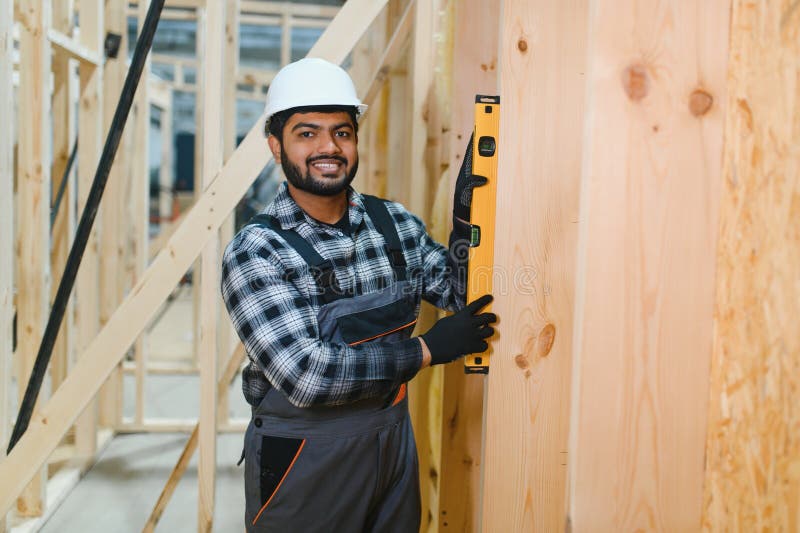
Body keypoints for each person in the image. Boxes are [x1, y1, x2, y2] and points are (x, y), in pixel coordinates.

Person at [220, 57, 496, 533]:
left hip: (390, 447)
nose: (328, 147)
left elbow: (458, 291)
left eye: (342, 132)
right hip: (304, 460)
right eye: (307, 133)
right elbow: (307, 376)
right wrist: (427, 349)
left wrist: (472, 220)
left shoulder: (395, 224)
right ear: (275, 145)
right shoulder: (257, 251)